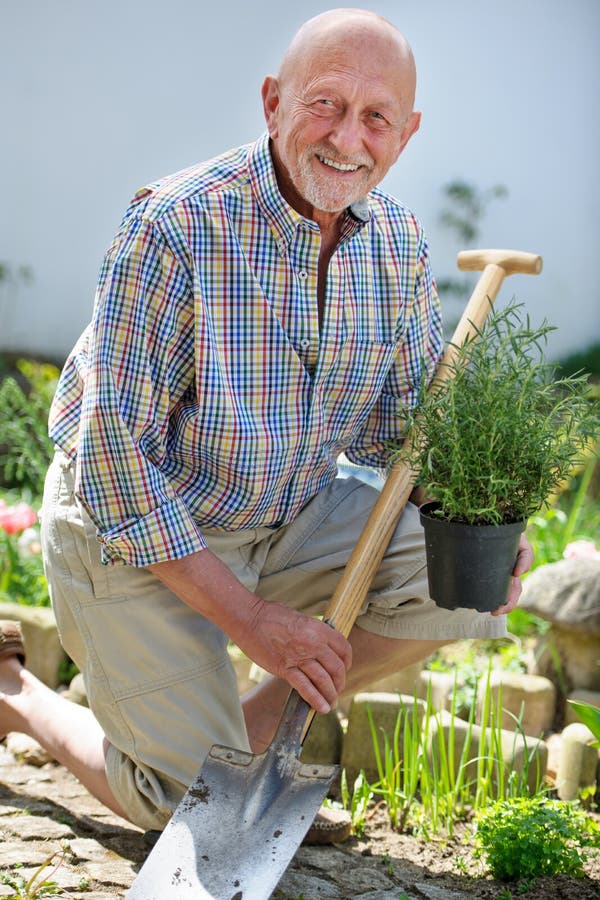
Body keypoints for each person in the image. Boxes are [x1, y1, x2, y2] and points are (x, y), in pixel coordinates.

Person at [0, 8, 532, 842]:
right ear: (273, 102)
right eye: (325, 103)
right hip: (136, 527)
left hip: (284, 515)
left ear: (407, 133)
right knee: (173, 804)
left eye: (377, 117)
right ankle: (18, 698)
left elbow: (405, 432)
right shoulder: (174, 226)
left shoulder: (396, 244)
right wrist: (251, 624)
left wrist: (476, 521)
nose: (348, 138)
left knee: (463, 586)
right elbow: (114, 465)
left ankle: (234, 760)